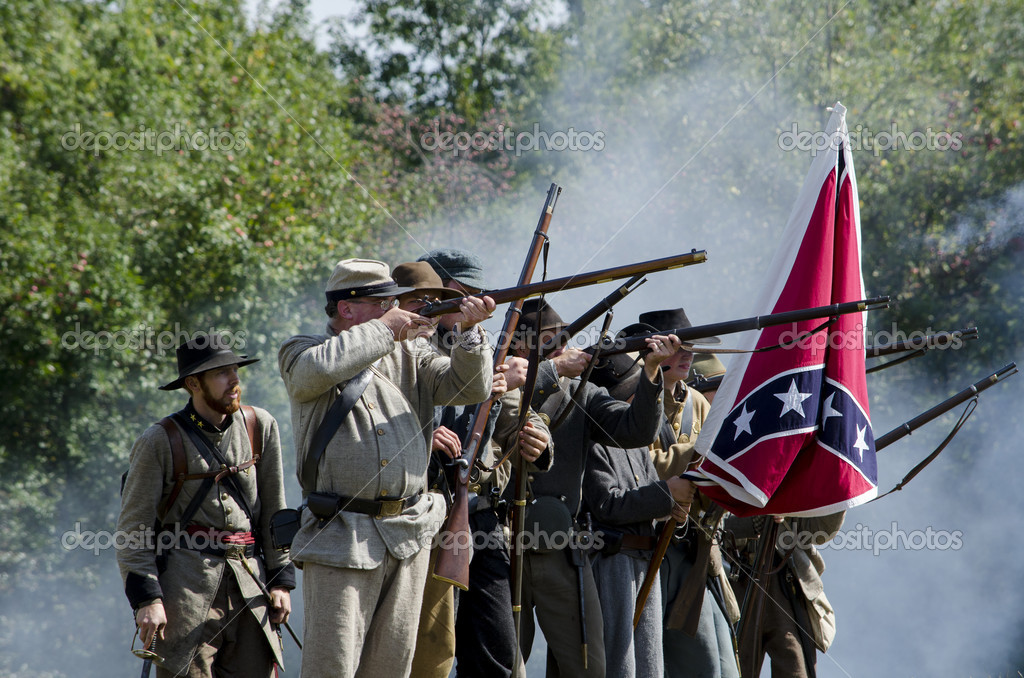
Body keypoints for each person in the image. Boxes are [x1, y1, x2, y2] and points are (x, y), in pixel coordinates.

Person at [278, 258, 494, 678]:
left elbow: (469, 388)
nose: (394, 310)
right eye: (384, 303)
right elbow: (314, 373)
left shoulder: (412, 354)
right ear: (347, 309)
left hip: (408, 536)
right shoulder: (301, 351)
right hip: (342, 536)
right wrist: (385, 328)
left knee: (391, 669)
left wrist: (469, 334)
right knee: (332, 668)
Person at [512, 298, 676, 678]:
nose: (562, 347)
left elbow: (635, 431)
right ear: (522, 346)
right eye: (550, 340)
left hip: (561, 548)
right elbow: (509, 403)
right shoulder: (504, 378)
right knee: (502, 661)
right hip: (504, 545)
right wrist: (551, 369)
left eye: (563, 339)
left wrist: (651, 373)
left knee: (587, 666)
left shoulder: (582, 392)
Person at [117, 333, 294, 678]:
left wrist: (280, 582)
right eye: (221, 373)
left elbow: (275, 514)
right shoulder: (159, 440)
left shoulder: (261, 426)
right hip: (185, 597)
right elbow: (133, 532)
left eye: (234, 369)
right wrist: (147, 600)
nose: (234, 380)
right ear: (193, 383)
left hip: (251, 592)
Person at [416, 249, 554, 678]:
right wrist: (422, 440)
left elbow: (520, 419)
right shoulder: (411, 347)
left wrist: (539, 440)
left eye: (478, 291)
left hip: (479, 515)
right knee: (429, 652)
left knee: (497, 652)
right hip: (426, 516)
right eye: (464, 290)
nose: (475, 298)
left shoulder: (487, 350)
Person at [625, 309, 741, 678]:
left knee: (714, 665)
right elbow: (637, 468)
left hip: (690, 547)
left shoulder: (696, 402)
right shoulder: (631, 398)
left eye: (691, 347)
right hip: (643, 545)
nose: (688, 355)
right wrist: (698, 456)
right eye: (678, 347)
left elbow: (709, 479)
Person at [582, 352, 695, 678]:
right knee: (621, 663)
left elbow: (647, 495)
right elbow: (608, 505)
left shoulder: (636, 444)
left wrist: (671, 506)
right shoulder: (594, 443)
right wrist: (666, 494)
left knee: (649, 663)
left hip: (646, 560)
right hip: (614, 560)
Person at [724, 512, 844, 678]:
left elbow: (820, 530)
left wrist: (840, 500)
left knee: (795, 666)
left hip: (785, 583)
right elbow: (706, 519)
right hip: (734, 581)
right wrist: (755, 522)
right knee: (730, 668)